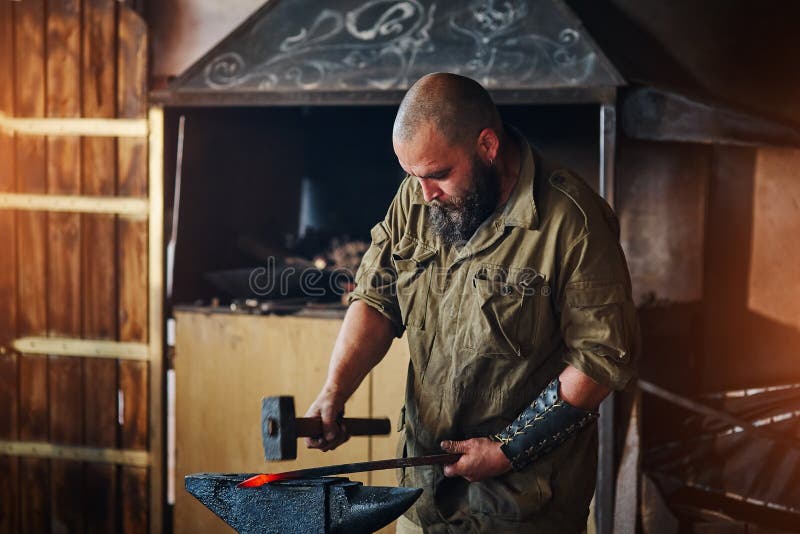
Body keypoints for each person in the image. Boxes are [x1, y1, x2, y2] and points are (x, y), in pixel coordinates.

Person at [304, 72, 639, 533]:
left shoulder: (572, 222)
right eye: (413, 176)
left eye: (439, 174)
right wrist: (334, 391)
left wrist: (507, 449)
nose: (425, 195)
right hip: (421, 498)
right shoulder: (418, 197)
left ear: (487, 145)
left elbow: (600, 359)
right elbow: (377, 296)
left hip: (520, 509)